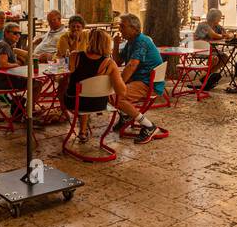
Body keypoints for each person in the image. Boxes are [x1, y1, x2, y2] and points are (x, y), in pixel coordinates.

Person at [63, 27, 134, 143]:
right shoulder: (109, 63)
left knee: (71, 88)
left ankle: (75, 124)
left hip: (73, 102)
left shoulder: (74, 56)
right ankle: (83, 130)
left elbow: (70, 72)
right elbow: (122, 91)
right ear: (107, 44)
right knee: (87, 93)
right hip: (98, 104)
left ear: (88, 41)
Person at [113, 13, 163, 143]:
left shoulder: (141, 41)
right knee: (111, 92)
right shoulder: (131, 42)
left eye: (122, 26)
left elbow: (131, 66)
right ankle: (126, 116)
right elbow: (117, 62)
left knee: (115, 96)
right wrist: (116, 45)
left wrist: (118, 84)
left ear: (134, 29)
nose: (120, 29)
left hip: (148, 84)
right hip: (139, 81)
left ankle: (149, 126)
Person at [0, 22, 30, 122]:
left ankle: (19, 110)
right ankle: (27, 111)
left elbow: (23, 55)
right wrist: (17, 64)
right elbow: (3, 64)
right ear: (6, 33)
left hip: (1, 80)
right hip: (4, 82)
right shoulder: (4, 46)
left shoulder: (5, 45)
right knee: (36, 83)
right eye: (15, 33)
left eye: (19, 33)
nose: (18, 35)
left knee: (31, 82)